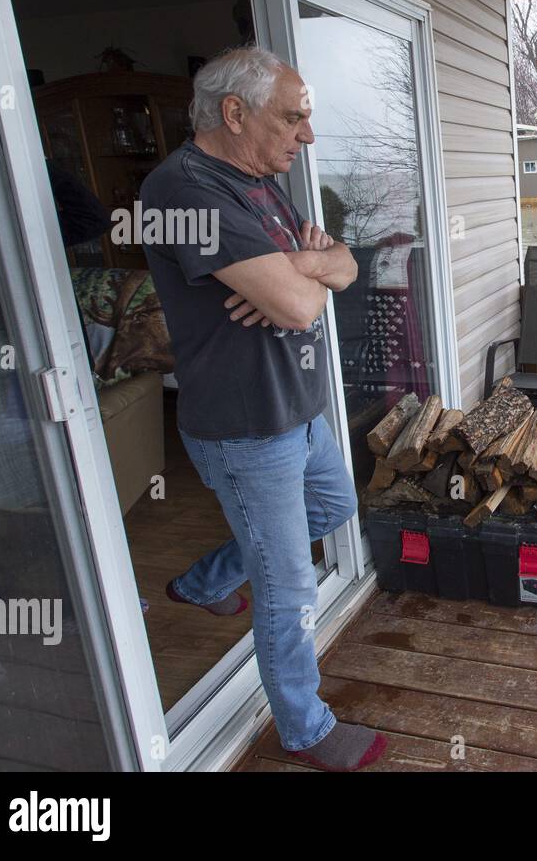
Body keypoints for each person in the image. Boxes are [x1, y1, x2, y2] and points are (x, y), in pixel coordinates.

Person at [140, 46, 386, 772]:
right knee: (287, 586)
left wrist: (305, 270)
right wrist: (300, 281)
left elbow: (342, 264)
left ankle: (207, 581)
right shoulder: (181, 190)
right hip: (245, 426)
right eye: (293, 117)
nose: (306, 136)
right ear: (233, 113)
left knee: (336, 503)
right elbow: (295, 301)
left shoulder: (258, 181)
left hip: (299, 409)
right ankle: (306, 728)